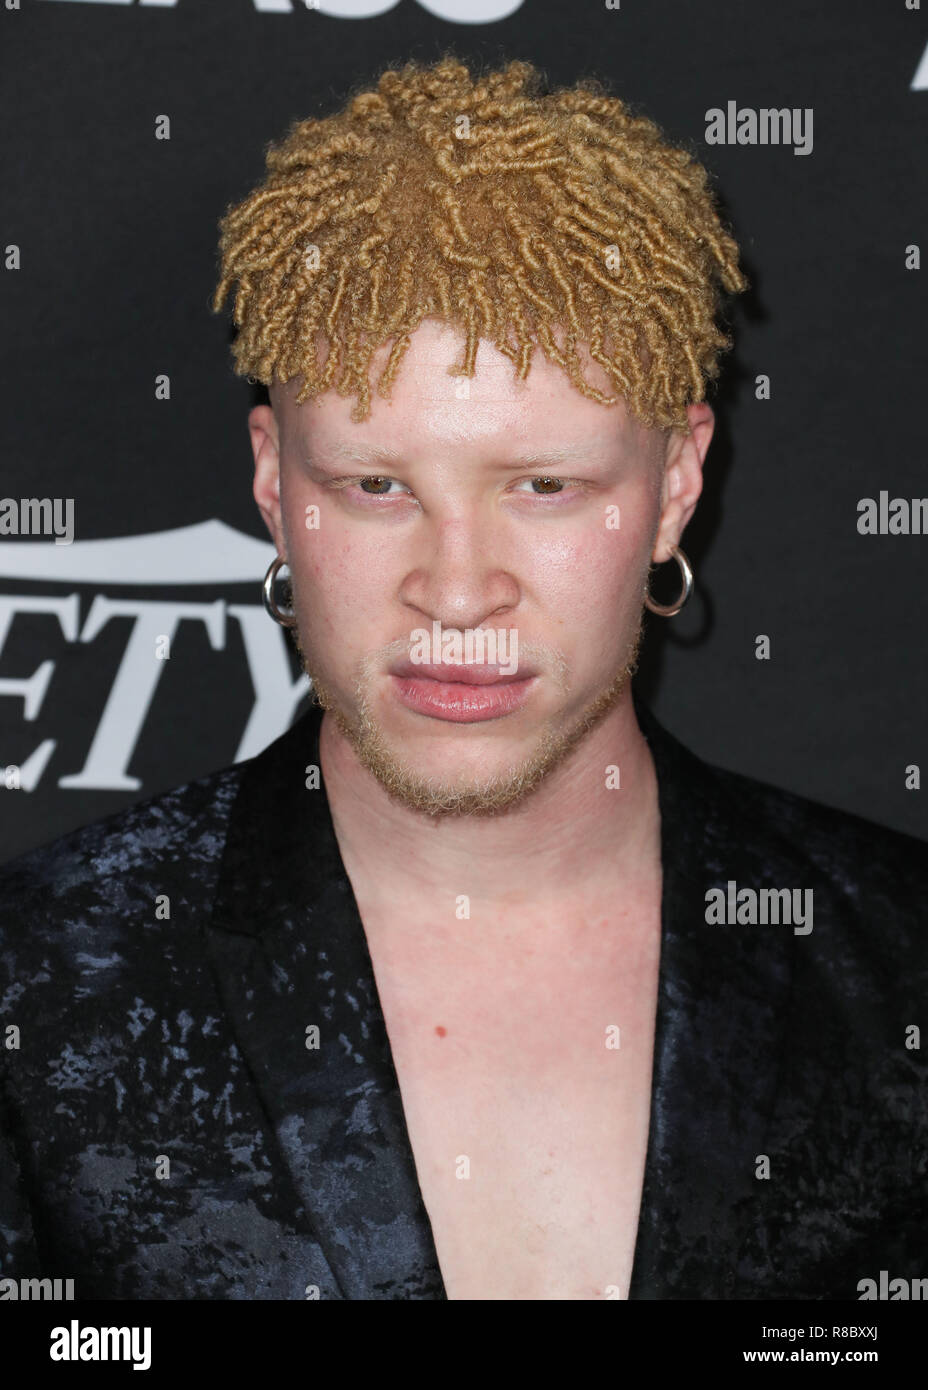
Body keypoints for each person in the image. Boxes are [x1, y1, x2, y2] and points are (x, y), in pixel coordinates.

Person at [0, 57, 925, 1303]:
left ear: (677, 485)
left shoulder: (898, 963)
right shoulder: (40, 976)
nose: (455, 587)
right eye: (376, 486)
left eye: (543, 485)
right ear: (276, 485)